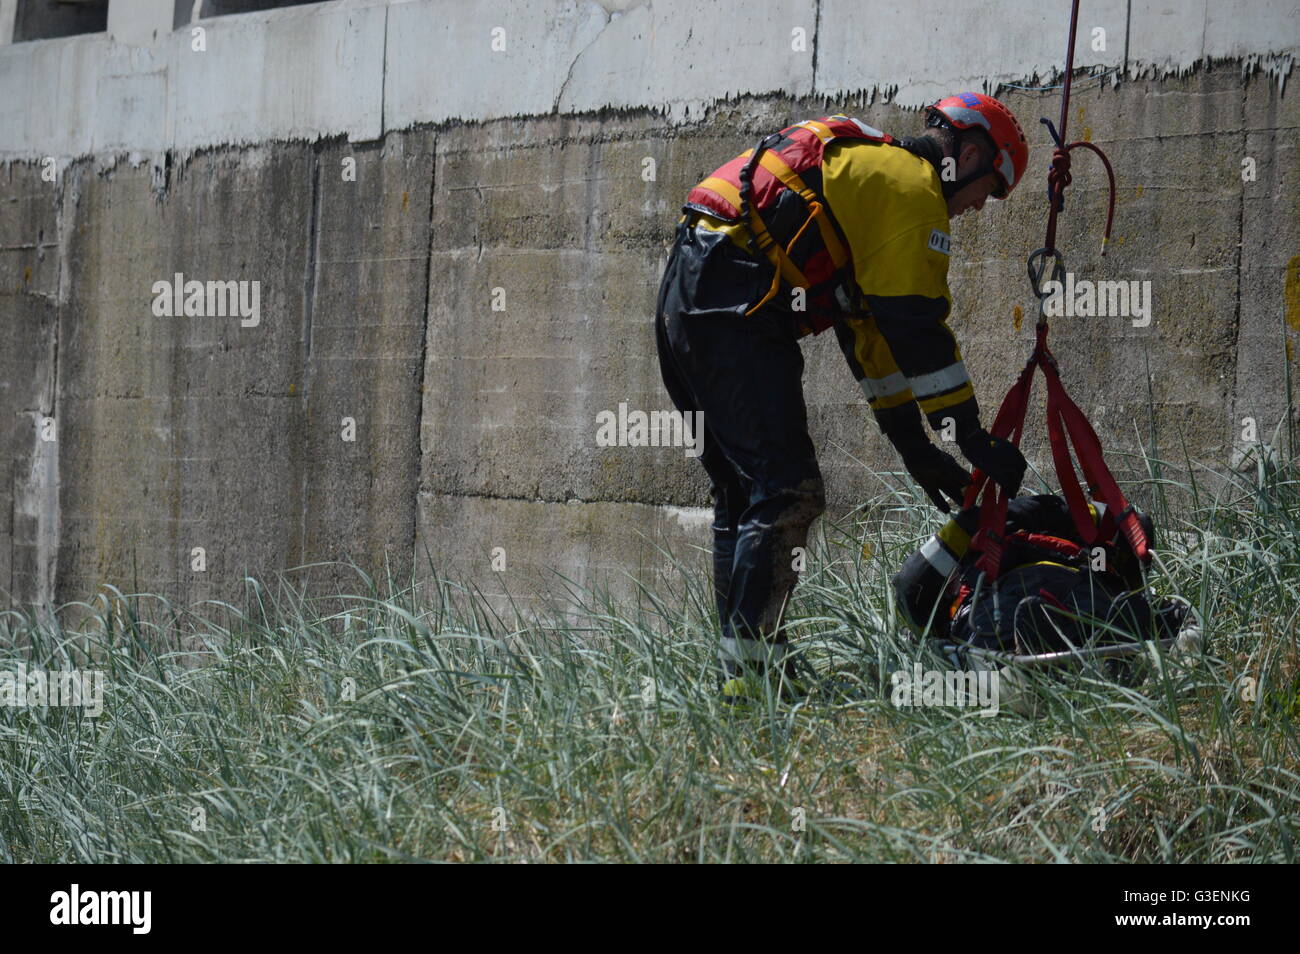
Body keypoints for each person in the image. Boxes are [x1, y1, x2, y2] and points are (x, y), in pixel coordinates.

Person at [654, 93, 1032, 700]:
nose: (975, 209)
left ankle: (744, 679)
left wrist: (915, 447)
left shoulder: (868, 173)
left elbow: (872, 337)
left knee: (745, 493)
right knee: (784, 491)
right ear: (967, 154)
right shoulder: (912, 189)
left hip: (692, 288)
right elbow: (917, 329)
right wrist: (971, 438)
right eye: (987, 191)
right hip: (735, 301)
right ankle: (753, 688)